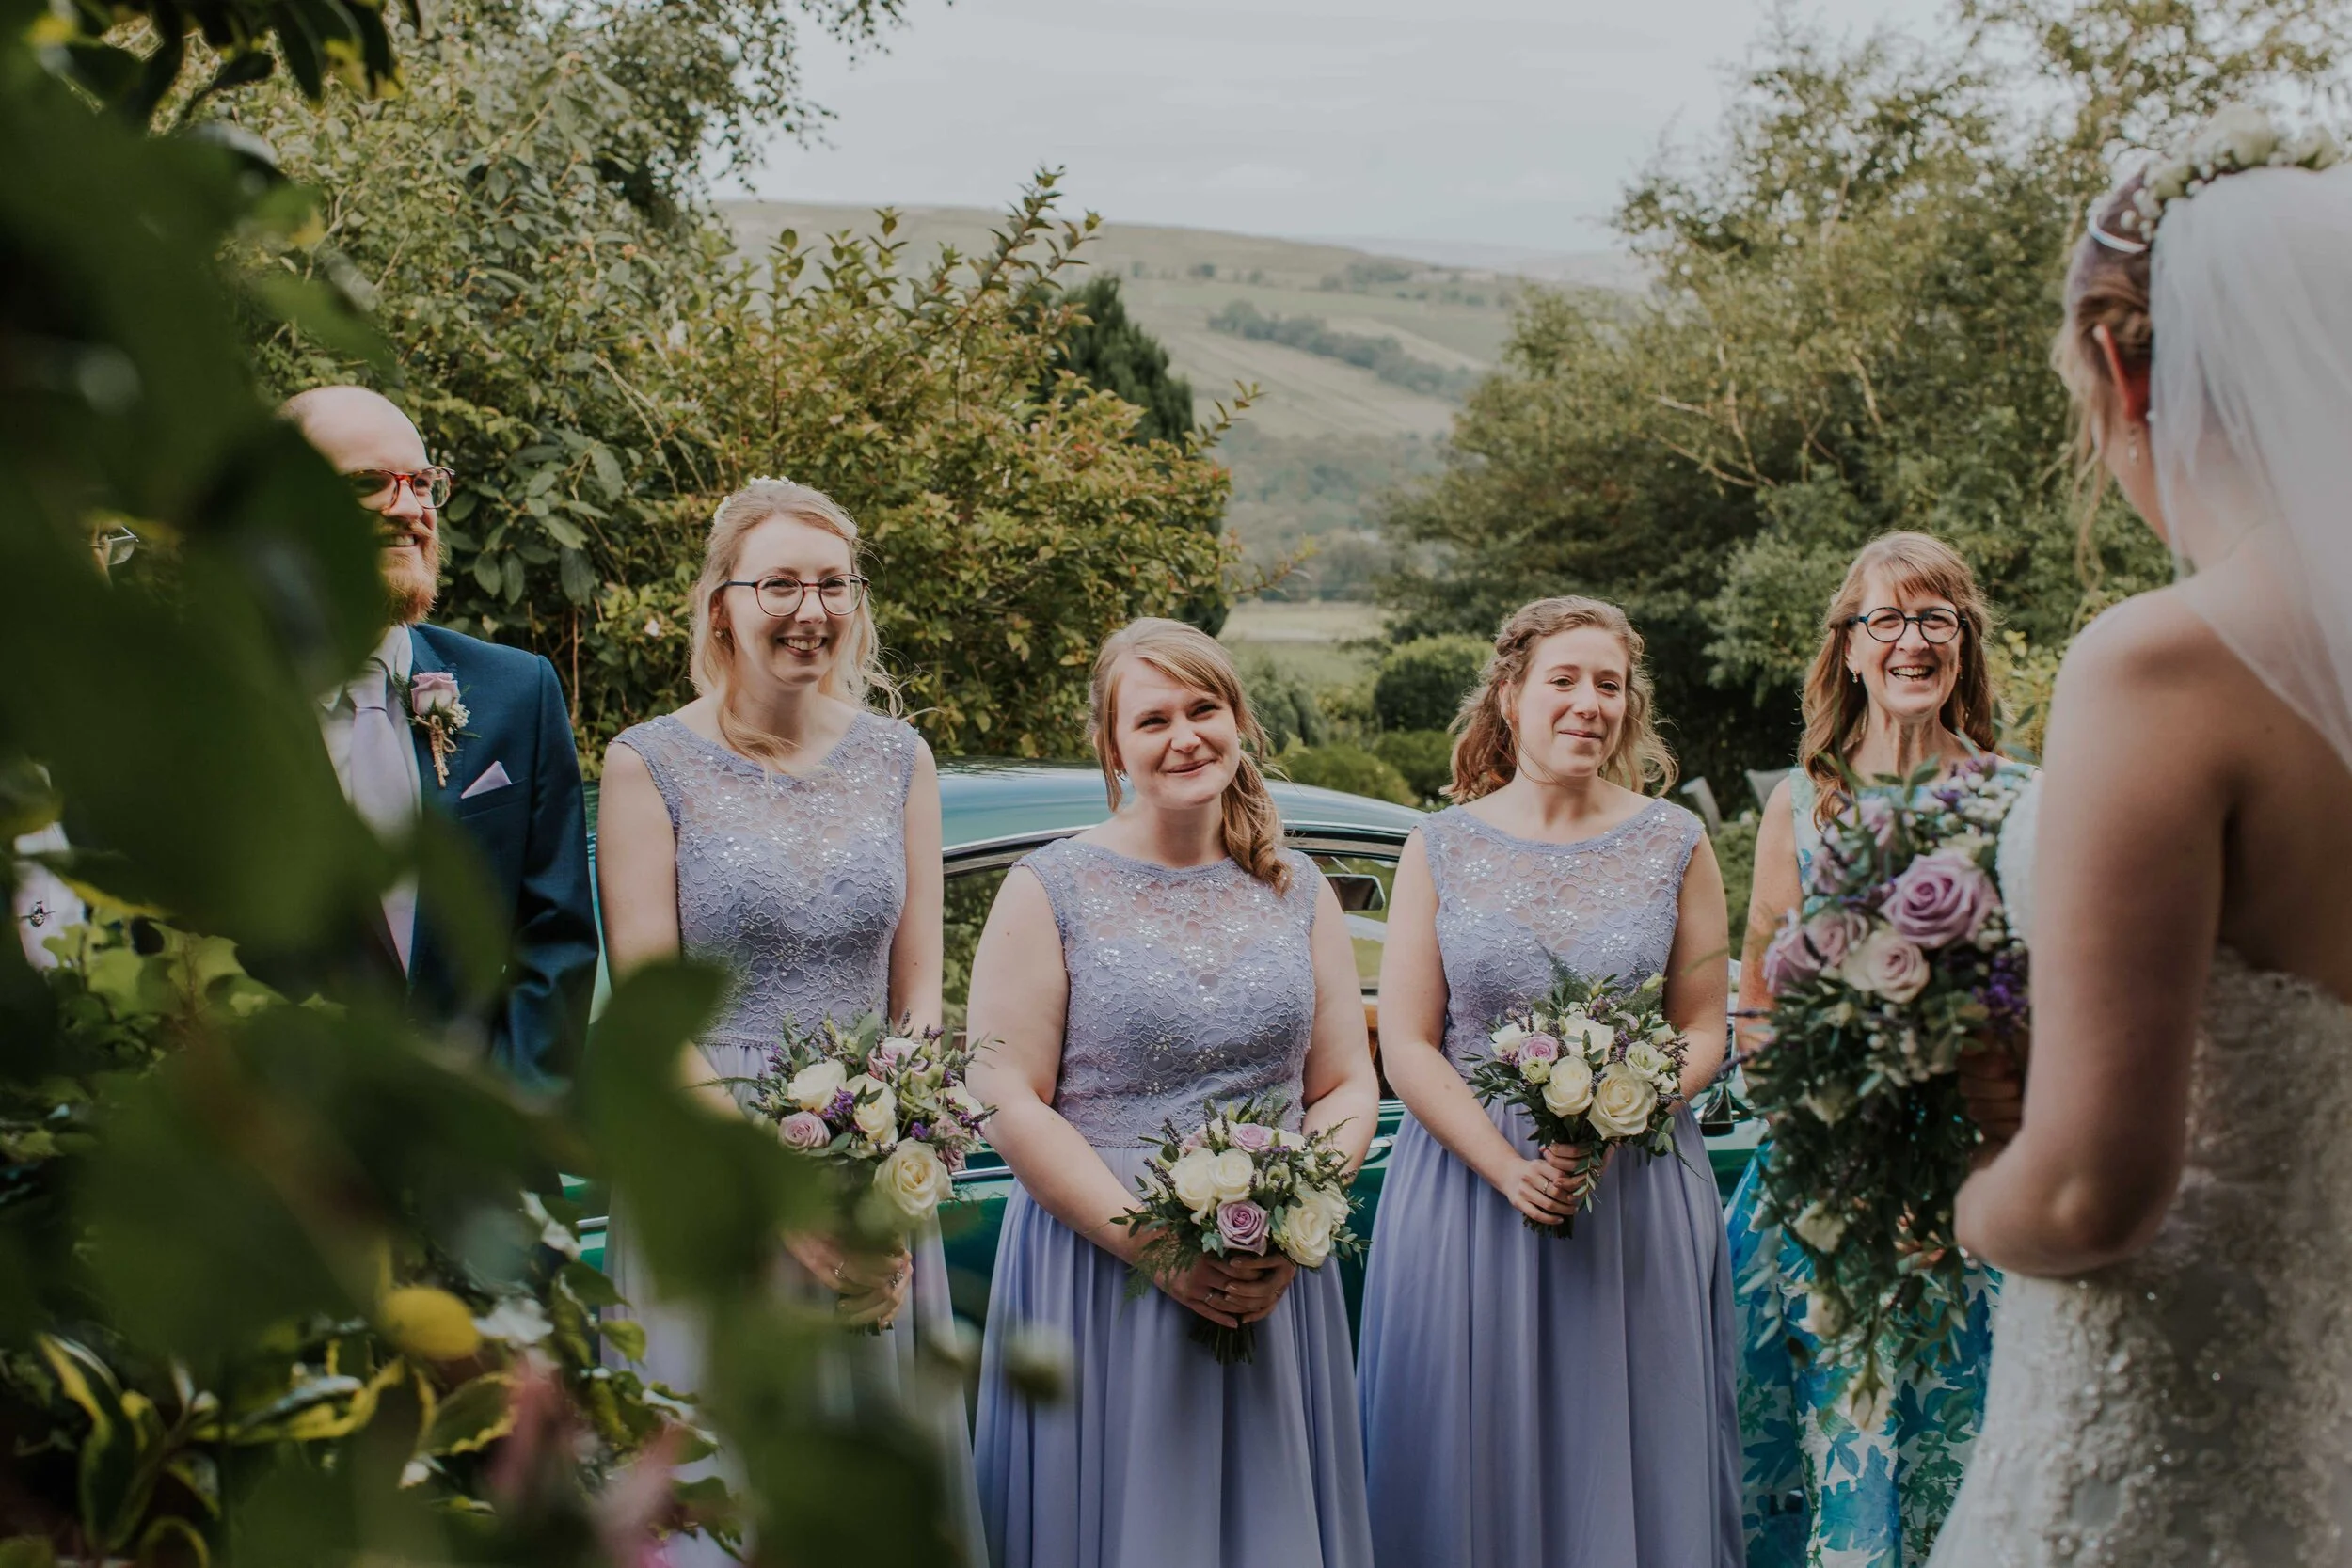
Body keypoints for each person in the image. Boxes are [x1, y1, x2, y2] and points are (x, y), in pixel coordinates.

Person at [1930, 120, 2352, 1564]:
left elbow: (2095, 1190)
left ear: (2123, 369)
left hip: (2174, 1421)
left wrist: (1975, 1197)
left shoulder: (2165, 666)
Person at [593, 478, 981, 1564]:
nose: (809, 609)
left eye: (832, 585)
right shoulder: (647, 764)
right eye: (779, 584)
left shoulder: (901, 760)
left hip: (868, 1167)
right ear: (721, 603)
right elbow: (648, 1013)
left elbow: (917, 998)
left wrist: (893, 1168)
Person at [967, 618, 1379, 1568]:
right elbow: (1007, 1091)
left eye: (1205, 708)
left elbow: (1344, 1080)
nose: (1185, 735)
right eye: (1153, 719)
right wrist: (1150, 1240)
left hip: (1265, 1273)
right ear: (1113, 748)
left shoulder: (1296, 885)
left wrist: (1302, 1205)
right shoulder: (1051, 887)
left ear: (1239, 720)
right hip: (1101, 1267)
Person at [1354, 595, 1740, 1568]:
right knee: (1467, 1449)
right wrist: (1503, 1165)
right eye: (1563, 680)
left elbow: (1704, 1026)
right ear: (1511, 695)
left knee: (1631, 1445)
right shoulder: (1438, 844)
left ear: (1628, 706)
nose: (1587, 703)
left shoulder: (1674, 842)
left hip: (1638, 1185)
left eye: (1607, 684)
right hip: (1465, 1187)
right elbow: (1407, 1042)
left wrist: (1631, 1106)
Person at [1724, 532, 2019, 1566]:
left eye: (1935, 618)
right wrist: (1841, 1162)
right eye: (1884, 619)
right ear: (1846, 648)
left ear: (1963, 645)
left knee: (1972, 1452)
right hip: (1825, 1194)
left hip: (1978, 1193)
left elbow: (2048, 1009)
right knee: (1838, 1460)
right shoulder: (1797, 805)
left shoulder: (2017, 799)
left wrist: (1968, 1172)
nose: (1910, 641)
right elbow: (1758, 1010)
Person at [282, 387, 596, 1085]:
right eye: (369, 484)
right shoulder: (217, 709)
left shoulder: (520, 694)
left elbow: (557, 942)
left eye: (423, 482)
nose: (410, 507)